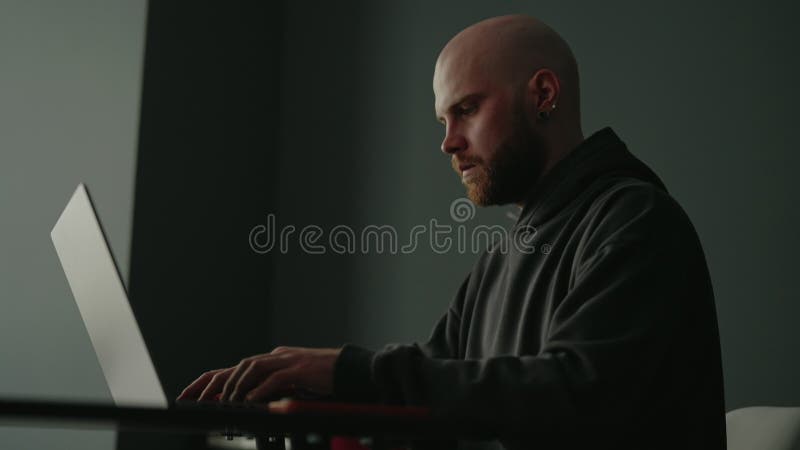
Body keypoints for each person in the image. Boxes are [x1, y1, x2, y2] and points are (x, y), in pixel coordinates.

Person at [178, 14, 726, 450]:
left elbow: (574, 396)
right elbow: (437, 388)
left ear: (543, 95)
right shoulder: (504, 256)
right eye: (444, 120)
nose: (448, 142)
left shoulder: (637, 220)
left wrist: (346, 371)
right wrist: (301, 392)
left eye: (466, 109)